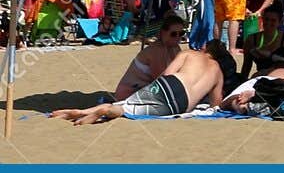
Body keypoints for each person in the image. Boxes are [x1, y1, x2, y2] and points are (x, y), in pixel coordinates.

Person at [52, 47, 224, 124]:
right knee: (127, 110)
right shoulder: (218, 72)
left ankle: (82, 111)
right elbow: (216, 104)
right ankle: (96, 112)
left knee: (123, 105)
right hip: (181, 104)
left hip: (169, 84)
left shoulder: (189, 53)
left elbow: (167, 73)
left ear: (205, 50)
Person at [110, 13, 188, 99]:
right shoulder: (156, 50)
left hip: (144, 90)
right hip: (129, 93)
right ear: (163, 32)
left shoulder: (174, 47)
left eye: (181, 33)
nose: (178, 37)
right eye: (173, 34)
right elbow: (162, 80)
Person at [239, 2, 284, 78]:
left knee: (257, 75)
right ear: (262, 19)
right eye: (266, 19)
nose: (268, 23)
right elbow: (246, 67)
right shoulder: (251, 40)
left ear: (279, 22)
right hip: (264, 77)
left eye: (273, 20)